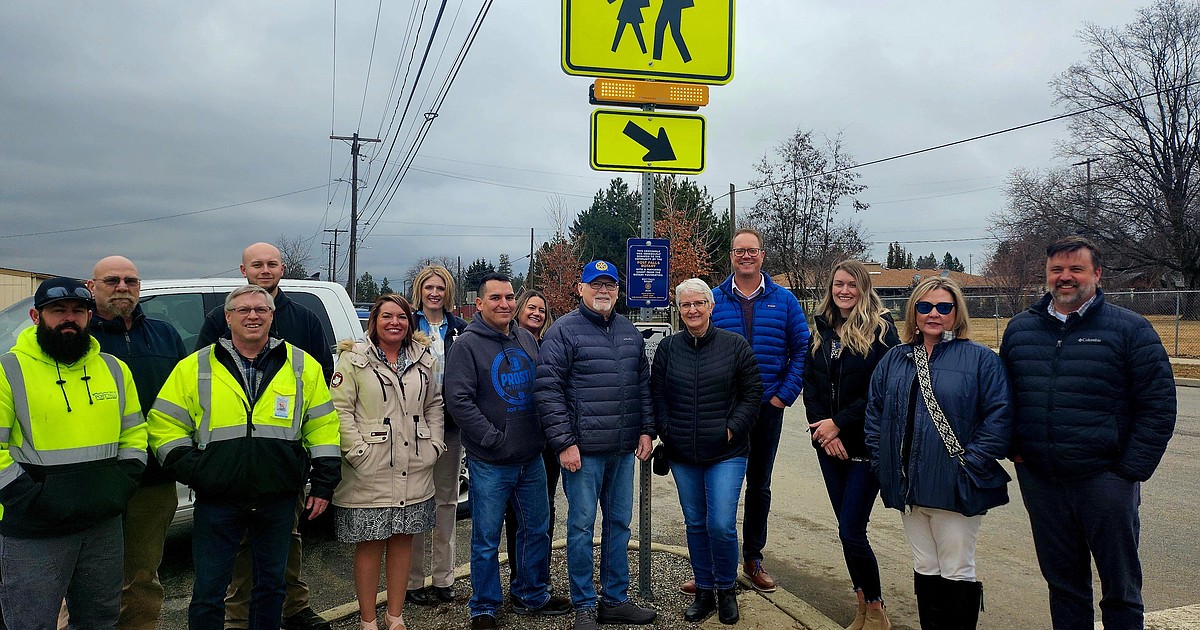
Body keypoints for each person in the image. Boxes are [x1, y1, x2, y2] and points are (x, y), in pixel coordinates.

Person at [1000, 236, 1176, 629]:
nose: (1065, 277)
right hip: (1042, 482)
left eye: (1075, 269)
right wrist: (1017, 450)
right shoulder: (1020, 329)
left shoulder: (1131, 330)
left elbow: (1159, 406)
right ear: (1046, 275)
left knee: (1121, 589)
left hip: (1105, 481)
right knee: (1064, 586)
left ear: (1096, 274)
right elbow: (1004, 398)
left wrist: (1128, 471)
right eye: (1057, 270)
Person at [148, 284, 341, 630]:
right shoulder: (196, 367)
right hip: (218, 501)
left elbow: (324, 426)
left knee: (270, 588)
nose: (253, 316)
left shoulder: (301, 366)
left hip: (277, 499)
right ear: (228, 317)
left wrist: (324, 484)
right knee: (208, 591)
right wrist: (200, 471)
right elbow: (164, 425)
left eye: (261, 310)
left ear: (272, 316)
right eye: (243, 310)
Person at [194, 242, 334, 630]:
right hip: (232, 459)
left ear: (282, 268)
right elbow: (204, 380)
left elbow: (320, 378)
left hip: (284, 456)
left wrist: (308, 456)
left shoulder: (304, 318)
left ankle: (295, 606)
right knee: (238, 549)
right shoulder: (215, 322)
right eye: (257, 264)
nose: (265, 270)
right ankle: (238, 616)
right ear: (243, 270)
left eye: (272, 264)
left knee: (286, 539)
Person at [864, 277, 1012, 629]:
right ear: (913, 312)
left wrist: (970, 463)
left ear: (956, 313)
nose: (933, 314)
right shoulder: (895, 360)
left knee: (957, 569)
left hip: (955, 484)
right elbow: (875, 414)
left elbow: (1000, 416)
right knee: (925, 568)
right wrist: (882, 462)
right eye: (925, 306)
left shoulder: (980, 360)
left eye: (943, 307)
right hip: (909, 486)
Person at [0, 278, 146, 629]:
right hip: (35, 527)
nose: (69, 318)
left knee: (100, 619)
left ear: (89, 316)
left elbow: (135, 434)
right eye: (58, 311)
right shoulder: (8, 370)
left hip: (101, 524)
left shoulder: (113, 369)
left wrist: (120, 487)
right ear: (36, 316)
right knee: (30, 622)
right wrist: (34, 500)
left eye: (78, 311)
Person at [535, 260, 657, 630]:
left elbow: (642, 387)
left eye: (610, 285)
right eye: (596, 285)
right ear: (581, 288)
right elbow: (548, 391)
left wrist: (646, 429)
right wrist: (564, 443)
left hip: (623, 450)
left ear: (618, 291)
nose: (604, 291)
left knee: (619, 525)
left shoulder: (628, 332)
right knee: (582, 527)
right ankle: (585, 604)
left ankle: (615, 600)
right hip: (582, 453)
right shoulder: (563, 332)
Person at [447, 274, 571, 630]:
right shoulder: (466, 346)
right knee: (486, 537)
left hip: (531, 457)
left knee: (537, 529)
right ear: (480, 303)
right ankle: (484, 606)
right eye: (496, 298)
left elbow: (544, 387)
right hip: (491, 461)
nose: (504, 304)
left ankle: (530, 594)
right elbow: (458, 400)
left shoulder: (525, 339)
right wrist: (491, 438)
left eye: (508, 297)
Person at [700, 227, 809, 594]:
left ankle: (753, 558)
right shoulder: (713, 300)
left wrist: (783, 396)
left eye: (752, 250)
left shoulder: (785, 301)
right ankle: (716, 565)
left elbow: (802, 351)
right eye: (739, 251)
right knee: (718, 488)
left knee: (759, 485)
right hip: (723, 412)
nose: (746, 256)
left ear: (762, 255)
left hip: (766, 409)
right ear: (730, 256)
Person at [650, 279, 761, 625]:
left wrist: (731, 429)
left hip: (726, 452)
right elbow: (658, 394)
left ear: (711, 307)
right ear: (678, 309)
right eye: (686, 305)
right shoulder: (668, 349)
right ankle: (705, 591)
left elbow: (752, 394)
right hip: (683, 453)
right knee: (696, 523)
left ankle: (727, 589)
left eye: (699, 303)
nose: (693, 310)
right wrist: (667, 430)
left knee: (721, 524)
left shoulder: (735, 346)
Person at [331, 294, 445, 630]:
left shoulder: (424, 358)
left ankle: (395, 617)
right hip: (370, 465)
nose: (394, 322)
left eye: (402, 317)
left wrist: (434, 445)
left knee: (402, 540)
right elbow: (340, 410)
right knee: (369, 543)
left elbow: (434, 404)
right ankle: (368, 620)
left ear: (410, 322)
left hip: (415, 462)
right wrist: (357, 452)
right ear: (374, 321)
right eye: (387, 317)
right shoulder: (353, 359)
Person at [87, 256, 188, 630]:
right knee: (83, 579)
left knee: (142, 577)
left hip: (153, 479)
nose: (122, 287)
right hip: (95, 477)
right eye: (112, 280)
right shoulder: (78, 337)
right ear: (91, 286)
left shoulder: (166, 335)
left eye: (130, 280)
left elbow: (186, 399)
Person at [803, 260, 899, 630]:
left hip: (863, 446)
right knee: (846, 527)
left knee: (851, 530)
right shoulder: (823, 330)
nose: (843, 291)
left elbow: (882, 389)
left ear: (863, 289)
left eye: (851, 285)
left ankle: (876, 610)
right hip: (828, 446)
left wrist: (839, 424)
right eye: (838, 284)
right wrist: (822, 431)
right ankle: (861, 607)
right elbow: (810, 385)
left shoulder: (882, 331)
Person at [405, 266, 468, 607]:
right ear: (420, 290)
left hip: (451, 427)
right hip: (413, 428)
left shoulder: (460, 329)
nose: (434, 293)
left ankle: (444, 577)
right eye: (428, 287)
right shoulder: (405, 326)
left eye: (440, 287)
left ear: (448, 292)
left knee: (446, 502)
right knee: (415, 503)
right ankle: (413, 580)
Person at [501, 289, 557, 584]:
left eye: (542, 310)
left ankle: (540, 576)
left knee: (545, 511)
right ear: (519, 310)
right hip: (519, 440)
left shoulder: (550, 344)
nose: (537, 313)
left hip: (549, 440)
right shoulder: (508, 345)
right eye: (531, 308)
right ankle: (519, 575)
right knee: (517, 515)